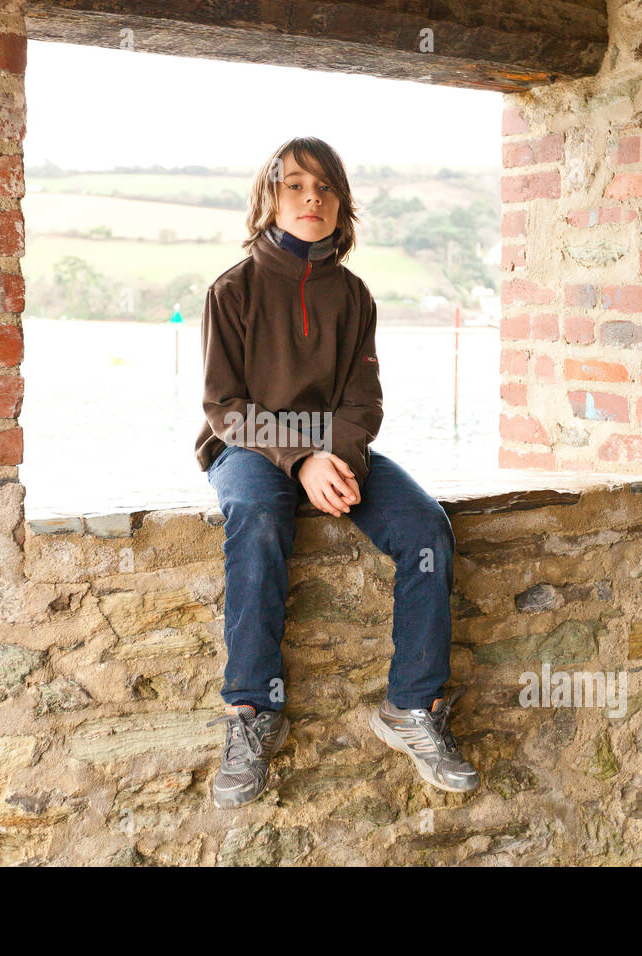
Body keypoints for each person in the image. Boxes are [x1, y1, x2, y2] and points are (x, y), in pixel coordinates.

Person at [194, 136, 480, 808]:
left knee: (426, 529)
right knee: (258, 518)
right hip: (251, 448)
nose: (311, 198)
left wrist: (336, 457)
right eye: (295, 185)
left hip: (338, 448)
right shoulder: (230, 291)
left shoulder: (353, 297)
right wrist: (300, 460)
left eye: (324, 187)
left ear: (341, 204)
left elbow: (363, 403)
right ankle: (249, 716)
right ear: (270, 199)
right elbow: (224, 408)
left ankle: (412, 706)